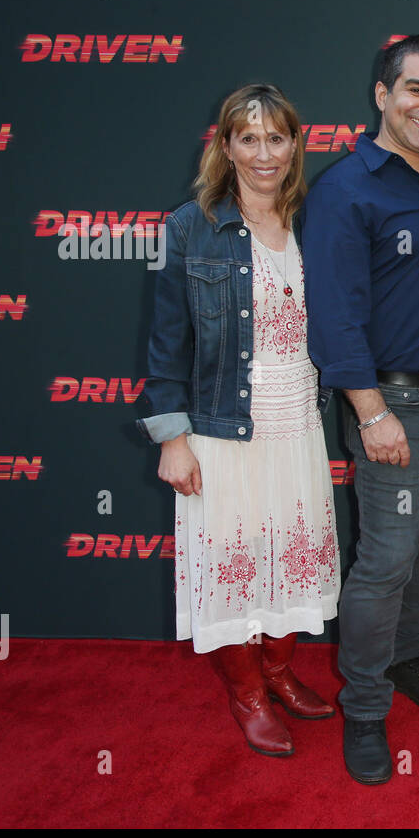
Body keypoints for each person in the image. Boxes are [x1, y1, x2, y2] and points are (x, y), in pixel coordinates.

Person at [139, 83, 340, 758]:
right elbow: (167, 343)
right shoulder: (190, 226)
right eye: (247, 138)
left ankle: (278, 672)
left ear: (294, 145)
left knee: (292, 566)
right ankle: (247, 692)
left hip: (299, 431)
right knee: (232, 571)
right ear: (225, 146)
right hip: (222, 435)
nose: (263, 153)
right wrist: (172, 438)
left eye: (276, 138)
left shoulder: (315, 221)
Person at [303, 36, 419, 784]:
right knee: (381, 564)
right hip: (393, 406)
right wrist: (373, 414)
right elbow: (334, 319)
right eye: (415, 90)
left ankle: (407, 660)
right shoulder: (346, 189)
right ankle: (366, 707)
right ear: (382, 95)